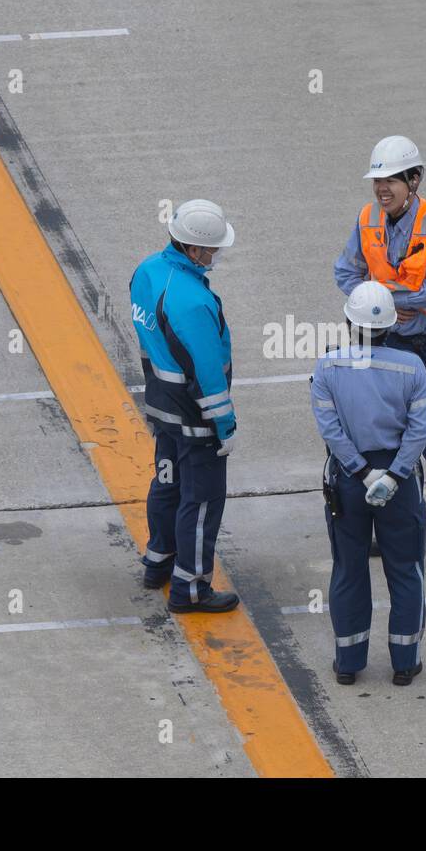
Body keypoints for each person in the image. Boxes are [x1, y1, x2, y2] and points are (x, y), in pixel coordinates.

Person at [334, 135, 426, 590]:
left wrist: (391, 300)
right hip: (378, 342)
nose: (382, 189)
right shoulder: (367, 218)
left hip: (422, 346)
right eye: (378, 180)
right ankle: (387, 528)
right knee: (382, 442)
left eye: (391, 179)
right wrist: (384, 304)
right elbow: (345, 272)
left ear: (414, 180)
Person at [311, 281, 426, 685]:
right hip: (399, 483)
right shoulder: (411, 367)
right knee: (405, 568)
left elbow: (330, 428)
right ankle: (404, 663)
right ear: (391, 326)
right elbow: (420, 431)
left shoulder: (328, 367)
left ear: (349, 321)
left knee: (349, 569)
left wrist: (362, 472)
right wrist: (394, 476)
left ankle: (348, 664)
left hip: (349, 481)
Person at [129, 199, 240, 614]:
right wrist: (224, 426)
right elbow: (208, 374)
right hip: (194, 417)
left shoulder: (146, 271)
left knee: (167, 483)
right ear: (194, 250)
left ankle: (159, 561)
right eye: (211, 250)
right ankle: (190, 586)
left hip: (160, 404)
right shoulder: (192, 300)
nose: (215, 257)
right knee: (202, 499)